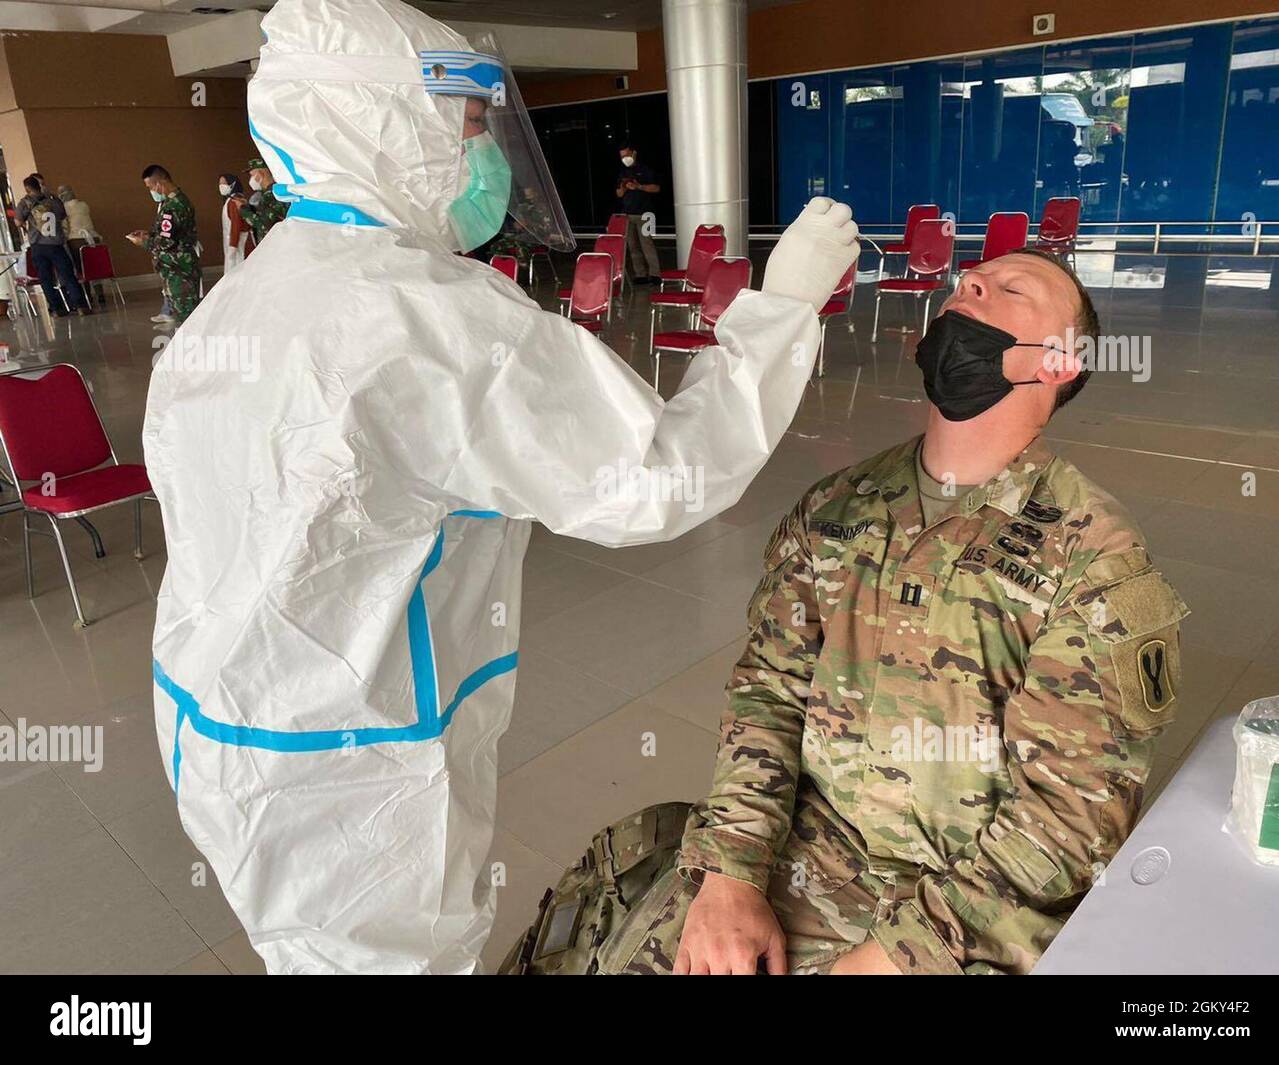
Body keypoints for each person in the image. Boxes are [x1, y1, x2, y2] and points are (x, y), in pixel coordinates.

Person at [142, 0, 858, 976]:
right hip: (358, 778)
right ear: (387, 124)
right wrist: (777, 313)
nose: (486, 158)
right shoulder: (423, 317)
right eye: (467, 126)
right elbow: (656, 483)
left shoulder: (249, 290)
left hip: (221, 728)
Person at [576, 248, 1189, 976]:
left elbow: (1069, 820)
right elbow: (768, 693)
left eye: (1011, 288)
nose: (972, 284)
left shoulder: (1093, 554)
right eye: (970, 280)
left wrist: (893, 958)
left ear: (1058, 362)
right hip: (801, 864)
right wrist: (734, 872)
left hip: (968, 919)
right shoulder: (838, 506)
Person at [128, 165, 202, 325]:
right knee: (184, 317)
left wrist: (144, 242)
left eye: (150, 187)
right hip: (178, 269)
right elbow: (168, 233)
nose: (151, 192)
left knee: (186, 320)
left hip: (179, 271)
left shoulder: (172, 206)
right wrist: (149, 234)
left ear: (159, 183)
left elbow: (166, 242)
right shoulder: (176, 201)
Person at [14, 175, 91, 317]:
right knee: (68, 276)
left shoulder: (25, 203)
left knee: (46, 279)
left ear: (27, 188)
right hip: (56, 245)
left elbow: (18, 222)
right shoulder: (53, 200)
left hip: (38, 246)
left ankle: (56, 309)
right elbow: (62, 216)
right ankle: (81, 306)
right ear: (40, 186)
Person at [615, 143, 661, 283]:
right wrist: (624, 187)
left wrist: (639, 186)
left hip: (645, 214)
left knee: (647, 244)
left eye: (627, 155)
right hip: (628, 214)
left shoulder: (645, 170)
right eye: (622, 156)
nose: (625, 158)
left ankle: (655, 274)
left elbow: (656, 188)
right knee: (632, 246)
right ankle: (640, 274)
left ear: (634, 153)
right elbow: (618, 194)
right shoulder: (622, 173)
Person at [58, 185, 106, 308]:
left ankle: (87, 295)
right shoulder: (84, 205)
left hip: (76, 240)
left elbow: (65, 228)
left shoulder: (64, 208)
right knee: (94, 268)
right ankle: (100, 294)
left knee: (80, 270)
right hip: (93, 238)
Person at [236, 157, 287, 243]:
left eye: (252, 175)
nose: (251, 179)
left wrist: (243, 209)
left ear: (260, 174)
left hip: (275, 245)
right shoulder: (266, 194)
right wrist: (249, 207)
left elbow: (264, 225)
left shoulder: (272, 195)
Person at [217, 172, 255, 274]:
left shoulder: (234, 202)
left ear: (232, 184)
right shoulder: (230, 201)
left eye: (224, 183)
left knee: (238, 271)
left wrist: (232, 246)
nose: (221, 186)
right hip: (235, 242)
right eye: (220, 183)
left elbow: (236, 225)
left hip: (240, 244)